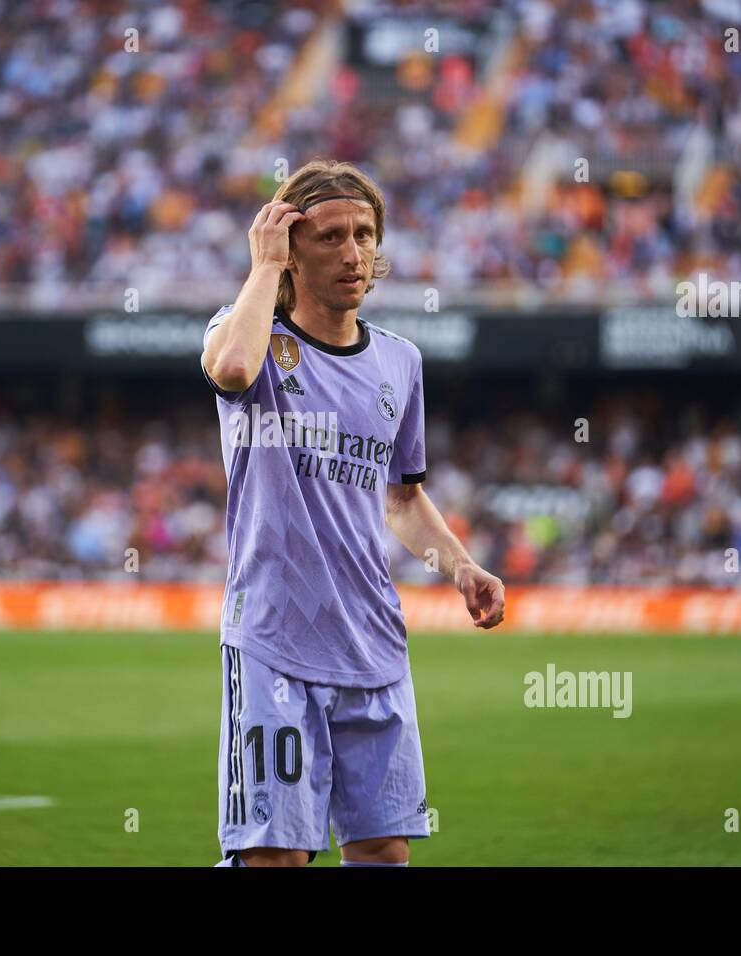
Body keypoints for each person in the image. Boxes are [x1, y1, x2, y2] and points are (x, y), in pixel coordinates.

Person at [200, 159, 506, 867]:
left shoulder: (400, 363)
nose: (353, 253)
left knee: (383, 852)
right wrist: (261, 269)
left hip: (374, 643)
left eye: (365, 234)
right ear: (290, 248)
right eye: (331, 236)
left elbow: (401, 496)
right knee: (275, 856)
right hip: (274, 638)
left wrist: (460, 566)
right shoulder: (245, 332)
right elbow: (233, 373)